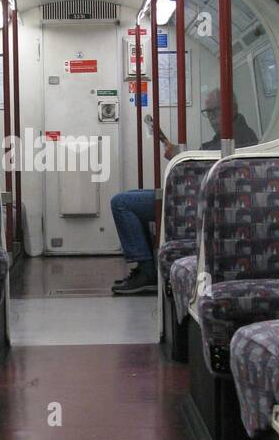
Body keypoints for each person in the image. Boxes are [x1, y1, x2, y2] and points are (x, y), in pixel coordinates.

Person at [110, 90, 258, 295]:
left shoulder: (238, 138)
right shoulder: (225, 136)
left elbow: (209, 171)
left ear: (231, 108)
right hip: (195, 196)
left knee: (121, 202)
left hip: (196, 201)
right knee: (132, 195)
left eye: (217, 111)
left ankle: (147, 272)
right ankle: (147, 267)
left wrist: (180, 158)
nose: (213, 118)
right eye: (209, 112)